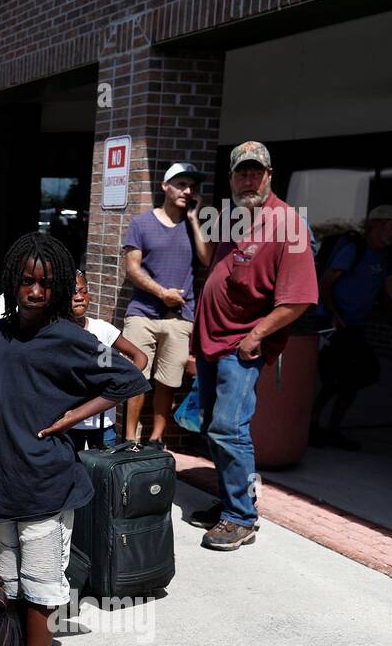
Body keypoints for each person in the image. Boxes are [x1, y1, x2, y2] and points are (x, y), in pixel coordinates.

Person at [0, 233, 149, 646]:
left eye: (45, 284)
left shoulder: (74, 339)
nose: (34, 292)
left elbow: (131, 378)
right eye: (26, 281)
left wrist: (74, 417)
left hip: (48, 482)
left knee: (41, 585)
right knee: (10, 582)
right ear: (12, 281)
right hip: (3, 479)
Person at [188, 141, 318, 550]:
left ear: (269, 176)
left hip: (241, 345)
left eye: (255, 172)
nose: (248, 179)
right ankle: (230, 501)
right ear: (231, 178)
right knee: (213, 427)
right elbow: (217, 267)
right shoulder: (233, 218)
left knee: (230, 428)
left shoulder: (288, 225)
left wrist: (255, 336)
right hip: (212, 341)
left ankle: (241, 517)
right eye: (241, 172)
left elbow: (298, 299)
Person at [310, 204, 392, 451]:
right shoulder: (354, 249)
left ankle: (332, 428)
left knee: (357, 377)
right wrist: (334, 314)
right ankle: (312, 427)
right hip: (334, 326)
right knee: (337, 378)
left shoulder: (385, 256)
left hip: (355, 326)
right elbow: (324, 284)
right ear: (376, 225)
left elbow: (380, 290)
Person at [121, 163, 208, 448]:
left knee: (169, 381)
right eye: (181, 184)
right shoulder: (142, 223)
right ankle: (130, 438)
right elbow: (132, 268)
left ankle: (157, 438)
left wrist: (194, 220)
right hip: (143, 314)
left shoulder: (193, 225)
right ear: (165, 186)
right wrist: (161, 293)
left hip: (180, 316)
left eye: (192, 186)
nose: (187, 190)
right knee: (135, 377)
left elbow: (207, 259)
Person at [69, 269, 147, 450]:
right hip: (69, 424)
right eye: (72, 292)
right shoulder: (57, 332)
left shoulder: (103, 329)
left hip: (104, 425)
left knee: (103, 475)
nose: (79, 297)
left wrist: (122, 381)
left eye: (83, 291)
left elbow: (140, 357)